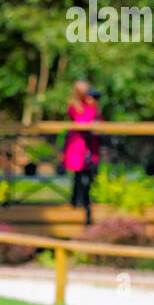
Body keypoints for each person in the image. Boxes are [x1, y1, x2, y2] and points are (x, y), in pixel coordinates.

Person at [64, 81, 100, 225]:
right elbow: (82, 123)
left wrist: (94, 107)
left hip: (91, 148)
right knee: (79, 178)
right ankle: (77, 207)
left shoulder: (91, 106)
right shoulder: (75, 107)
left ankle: (88, 208)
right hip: (78, 148)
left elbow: (98, 123)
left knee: (89, 178)